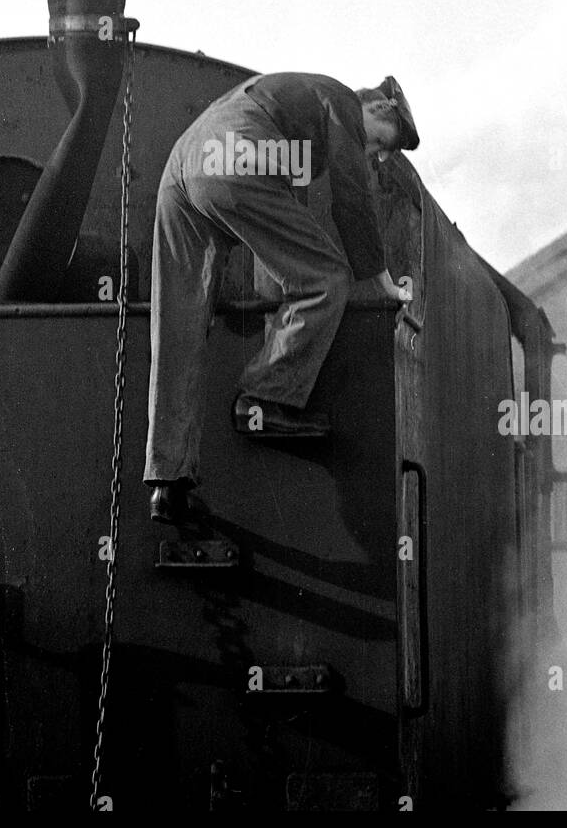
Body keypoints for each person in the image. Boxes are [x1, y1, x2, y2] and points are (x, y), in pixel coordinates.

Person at [143, 71, 419, 523]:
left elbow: (286, 225)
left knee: (177, 324)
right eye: (383, 144)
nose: (379, 156)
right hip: (234, 157)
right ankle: (264, 398)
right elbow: (351, 199)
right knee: (328, 277)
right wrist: (383, 281)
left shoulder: (291, 107)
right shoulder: (343, 102)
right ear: (376, 108)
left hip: (184, 166)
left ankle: (166, 482)